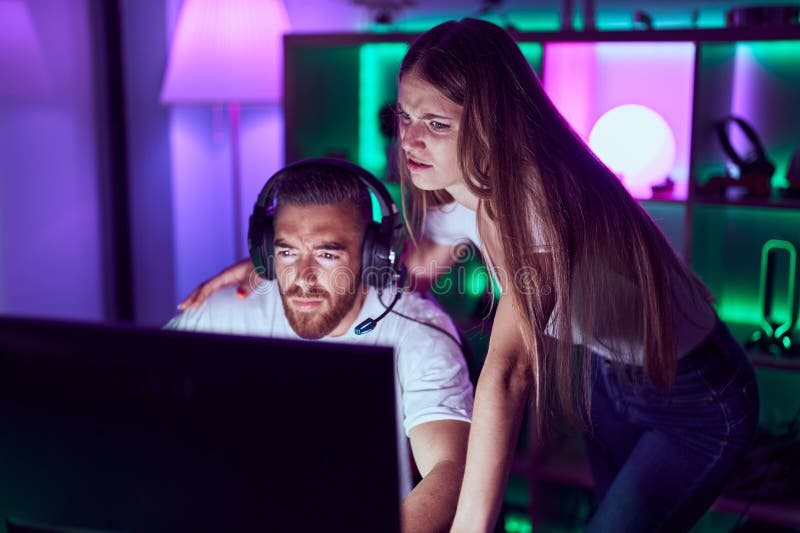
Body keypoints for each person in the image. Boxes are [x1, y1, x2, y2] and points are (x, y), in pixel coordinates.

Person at [179, 19, 760, 532]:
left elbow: (509, 373)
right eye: (404, 117)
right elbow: (408, 266)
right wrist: (286, 257)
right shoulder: (462, 183)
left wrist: (470, 527)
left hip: (694, 397)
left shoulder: (534, 212)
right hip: (610, 379)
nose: (408, 140)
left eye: (435, 122)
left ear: (491, 124)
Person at [167, 159, 473, 533]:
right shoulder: (227, 310)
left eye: (327, 254)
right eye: (287, 252)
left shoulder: (417, 332)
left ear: (373, 255)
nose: (303, 278)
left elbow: (451, 470)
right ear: (265, 252)